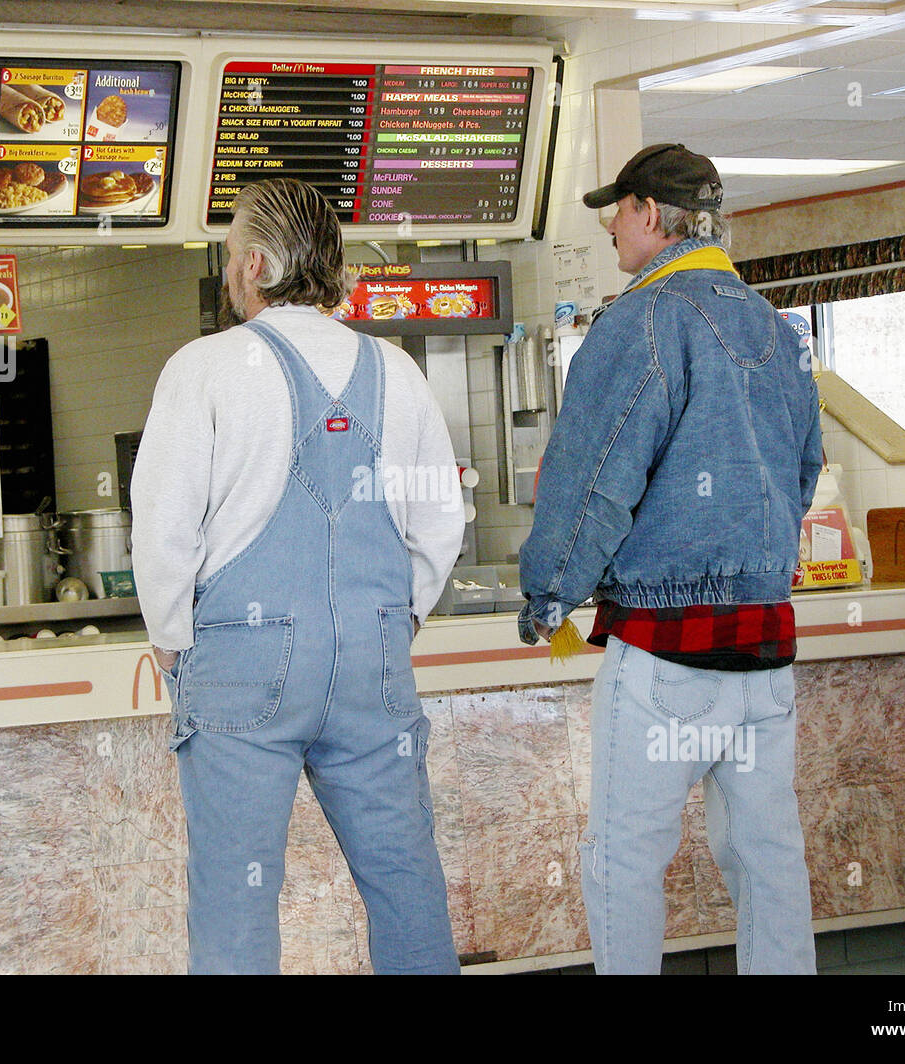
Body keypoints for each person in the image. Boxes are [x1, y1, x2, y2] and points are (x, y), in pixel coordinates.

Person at [131, 178, 464, 975]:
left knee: (237, 899)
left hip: (243, 666)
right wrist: (393, 622)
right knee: (405, 882)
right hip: (371, 666)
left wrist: (174, 644)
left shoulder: (204, 367)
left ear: (251, 264)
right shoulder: (398, 370)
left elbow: (162, 529)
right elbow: (441, 524)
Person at [518, 143, 823, 974]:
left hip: (663, 656)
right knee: (768, 862)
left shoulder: (640, 322)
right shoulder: (775, 326)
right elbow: (801, 472)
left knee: (623, 861)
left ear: (651, 214)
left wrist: (548, 595)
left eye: (616, 210)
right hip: (764, 657)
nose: (612, 228)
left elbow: (590, 486)